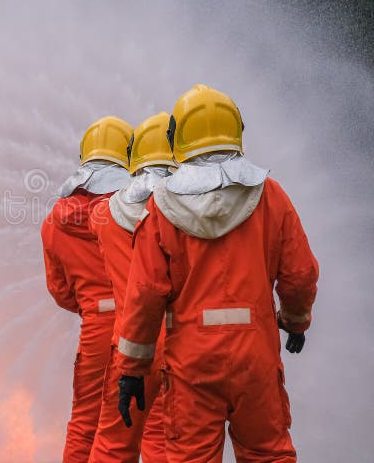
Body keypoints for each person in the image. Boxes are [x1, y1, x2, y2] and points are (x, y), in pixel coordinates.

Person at [115, 84, 319, 462]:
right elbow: (300, 274)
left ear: (178, 138)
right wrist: (295, 322)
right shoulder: (271, 196)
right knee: (268, 454)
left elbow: (145, 294)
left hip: (192, 365)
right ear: (237, 131)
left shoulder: (161, 207)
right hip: (255, 359)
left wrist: (132, 371)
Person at [42, 115, 133, 463]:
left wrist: (93, 306)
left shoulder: (55, 220)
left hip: (96, 330)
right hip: (142, 327)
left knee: (85, 424)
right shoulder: (140, 207)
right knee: (156, 422)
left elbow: (60, 291)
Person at [88, 112, 175, 462]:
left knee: (112, 445)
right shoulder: (181, 212)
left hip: (128, 345)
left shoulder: (102, 215)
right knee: (165, 442)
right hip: (179, 343)